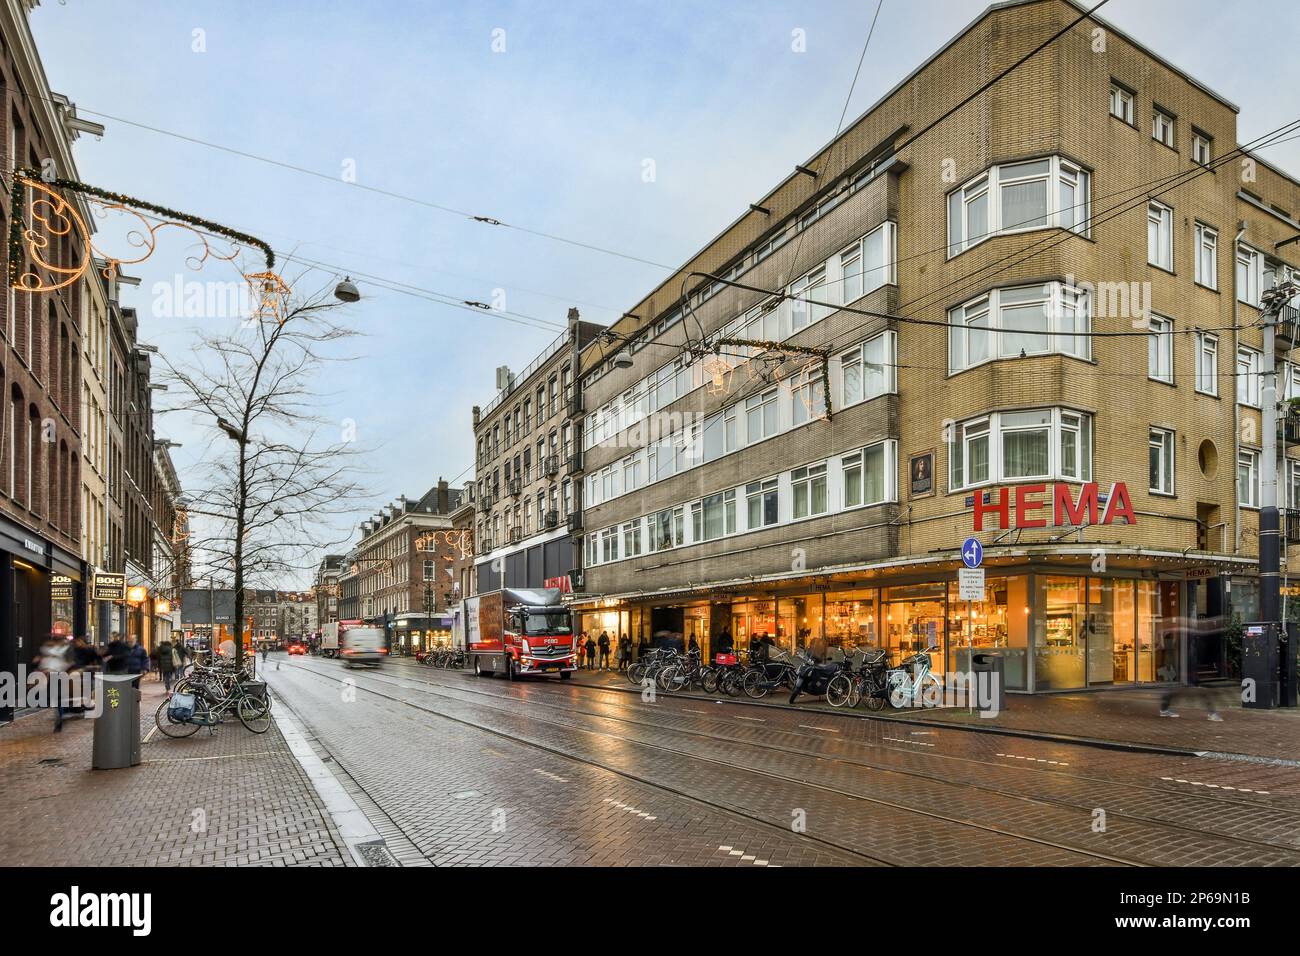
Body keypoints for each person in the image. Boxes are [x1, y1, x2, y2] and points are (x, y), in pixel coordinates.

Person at [33, 635, 71, 732]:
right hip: (54, 675)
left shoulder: (53, 650)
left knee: (57, 699)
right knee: (57, 699)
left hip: (55, 675)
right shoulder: (59, 650)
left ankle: (60, 717)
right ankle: (60, 716)